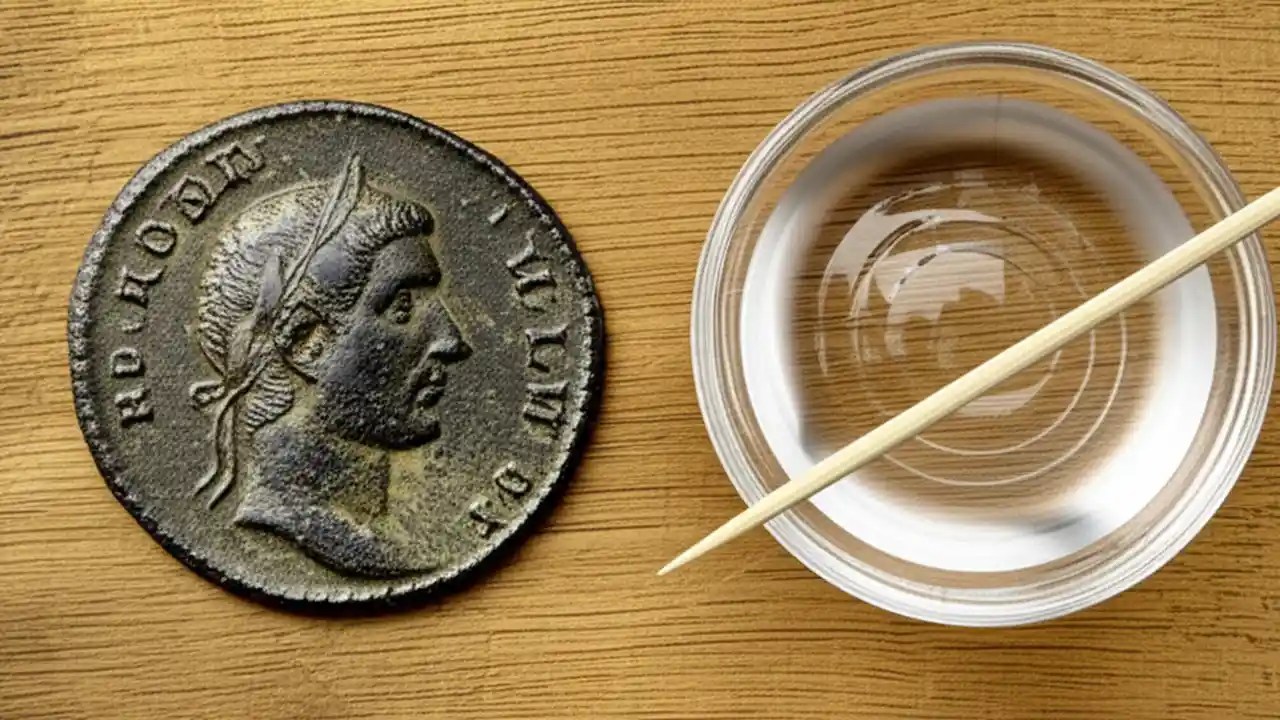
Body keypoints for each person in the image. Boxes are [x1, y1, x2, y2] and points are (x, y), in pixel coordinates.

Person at [194, 156, 469, 578]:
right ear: (306, 343)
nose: (452, 342)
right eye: (403, 307)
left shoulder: (388, 549)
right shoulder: (342, 549)